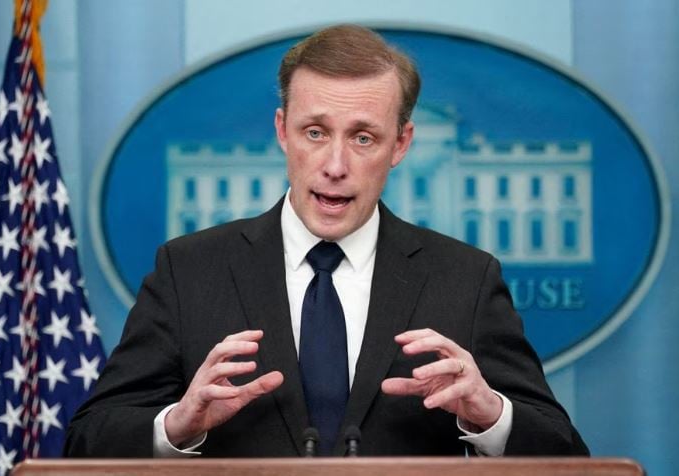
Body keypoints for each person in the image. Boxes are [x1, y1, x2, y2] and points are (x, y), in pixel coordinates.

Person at [65, 24, 588, 458]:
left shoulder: (465, 279)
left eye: (363, 137)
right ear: (282, 131)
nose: (335, 166)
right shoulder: (189, 269)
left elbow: (568, 456)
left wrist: (489, 415)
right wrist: (178, 425)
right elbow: (87, 442)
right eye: (315, 132)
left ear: (400, 144)